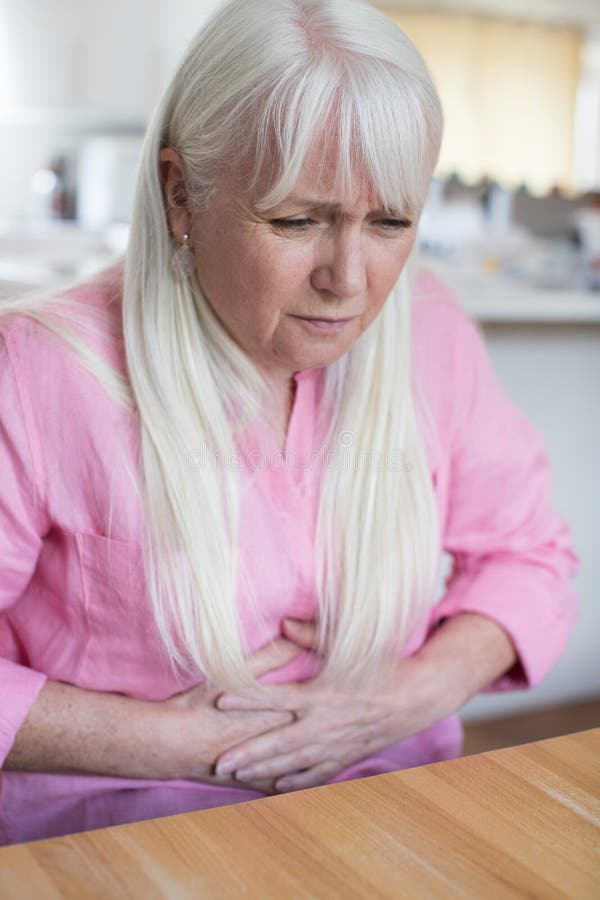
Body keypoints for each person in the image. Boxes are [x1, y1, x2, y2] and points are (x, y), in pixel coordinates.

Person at [0, 0, 579, 844]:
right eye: (297, 220)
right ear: (180, 195)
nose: (348, 280)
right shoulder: (36, 369)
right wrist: (188, 744)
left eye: (390, 222)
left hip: (382, 803)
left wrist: (403, 697)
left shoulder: (433, 329)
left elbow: (531, 557)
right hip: (111, 829)